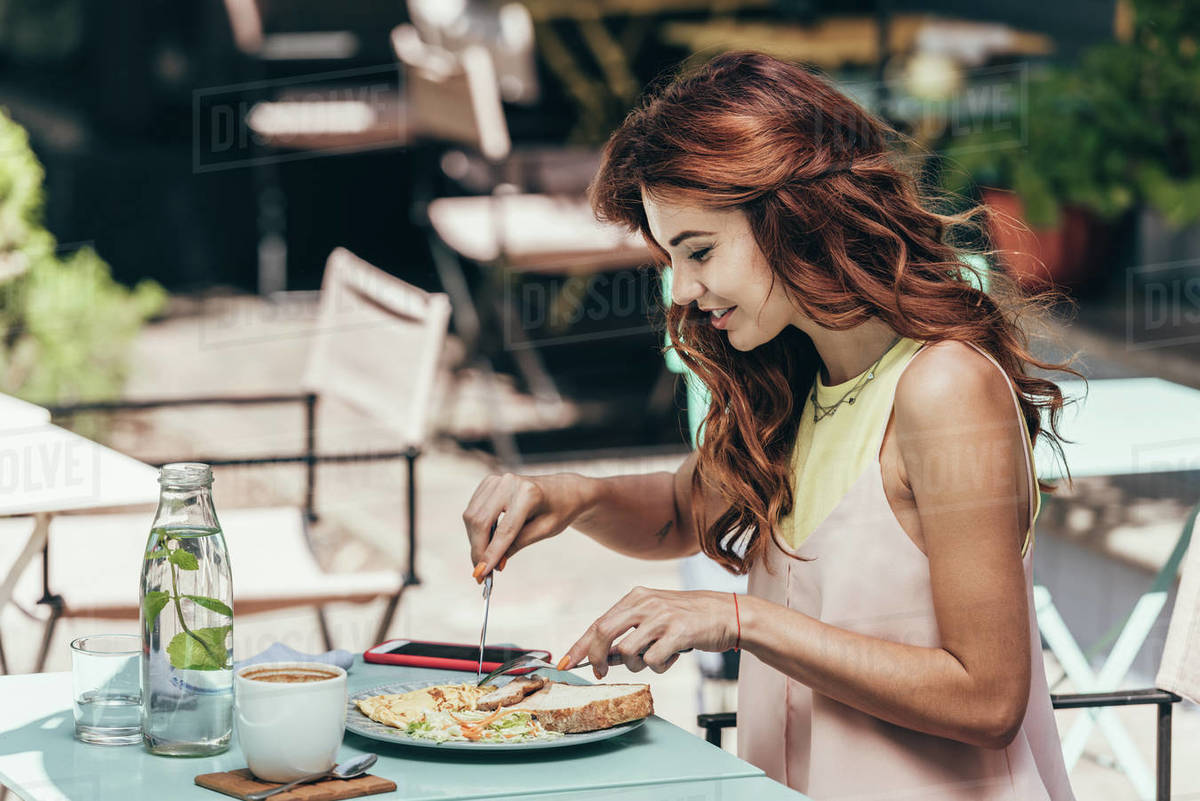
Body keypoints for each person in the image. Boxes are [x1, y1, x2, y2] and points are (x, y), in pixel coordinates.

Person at [461, 51, 1079, 800]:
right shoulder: (800, 376)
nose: (684, 290)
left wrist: (739, 620)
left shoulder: (945, 388)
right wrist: (570, 498)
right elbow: (683, 511)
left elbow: (988, 697)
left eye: (699, 251)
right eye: (671, 257)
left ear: (794, 216)